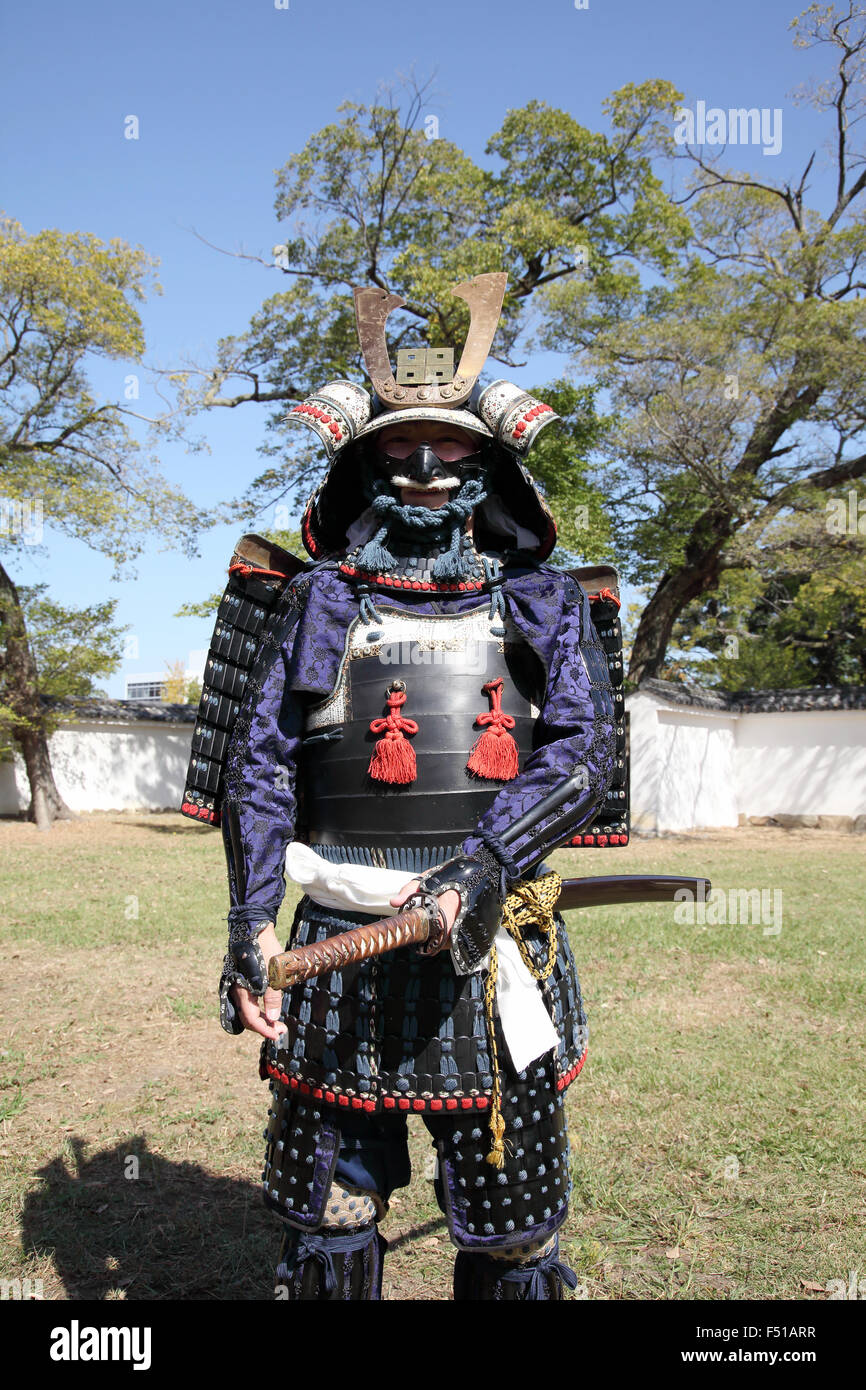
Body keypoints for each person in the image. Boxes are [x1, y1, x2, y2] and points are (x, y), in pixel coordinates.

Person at [215, 274, 617, 1300]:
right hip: (335, 943)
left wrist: (483, 861)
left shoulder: (540, 604)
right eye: (399, 445)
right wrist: (248, 926)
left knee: (513, 1223)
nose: (428, 467)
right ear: (363, 460)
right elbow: (258, 763)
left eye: (452, 447)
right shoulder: (313, 603)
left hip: (492, 953)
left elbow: (581, 756)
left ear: (487, 463)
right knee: (332, 1210)